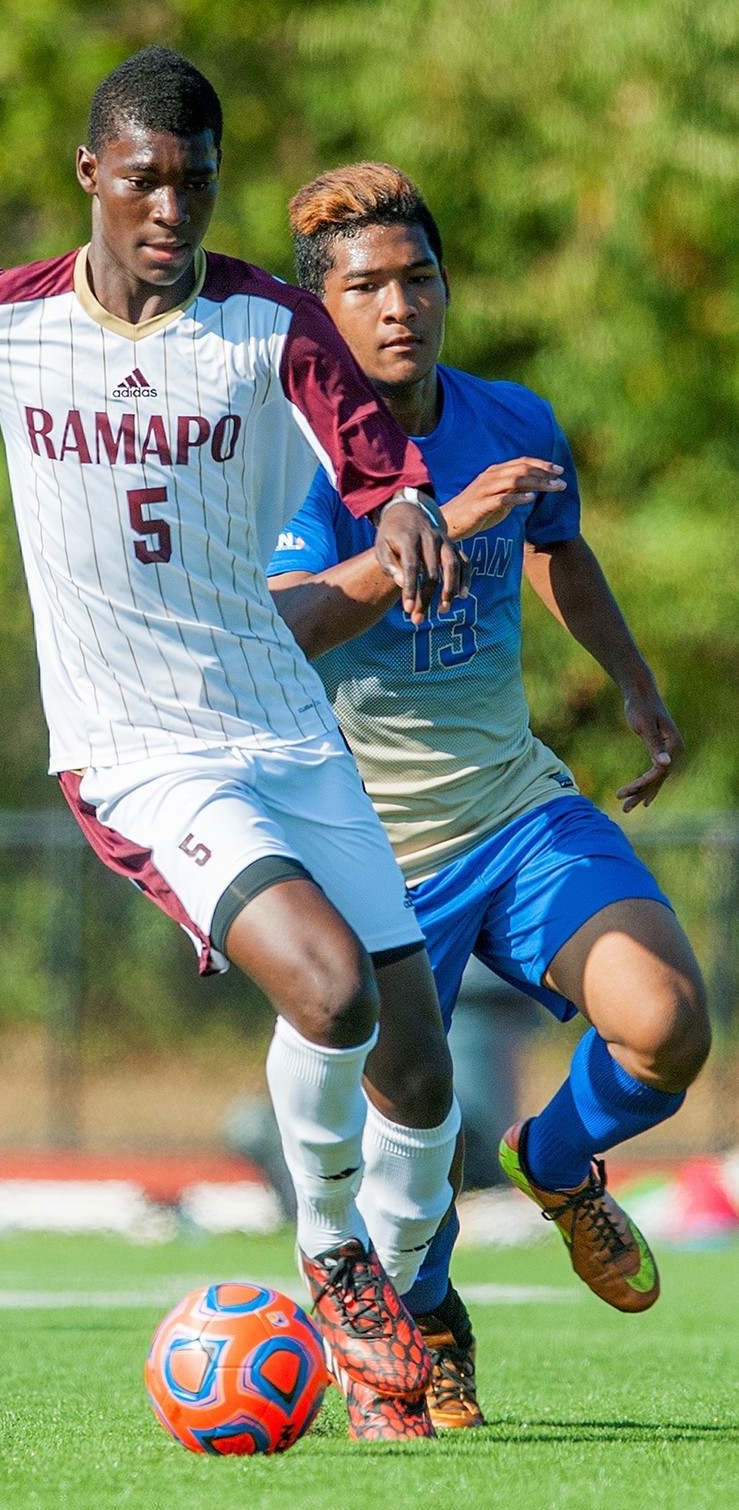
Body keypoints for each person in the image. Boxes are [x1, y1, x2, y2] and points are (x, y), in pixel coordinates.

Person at [0, 53, 468, 1442]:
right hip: (137, 751)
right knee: (328, 990)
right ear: (90, 178)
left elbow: (373, 458)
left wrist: (407, 508)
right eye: (144, 183)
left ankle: (412, 1291)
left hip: (280, 725)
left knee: (419, 1076)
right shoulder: (3, 321)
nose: (171, 213)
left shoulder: (268, 323)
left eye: (195, 183)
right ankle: (331, 1254)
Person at [268, 162, 711, 1431]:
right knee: (407, 1122)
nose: (399, 304)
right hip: (362, 852)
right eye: (365, 286)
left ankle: (557, 1161)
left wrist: (631, 682)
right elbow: (280, 628)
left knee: (665, 1021)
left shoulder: (513, 417)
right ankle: (425, 1329)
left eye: (418, 277)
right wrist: (436, 525)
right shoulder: (288, 460)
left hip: (515, 814)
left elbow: (559, 546)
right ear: (322, 315)